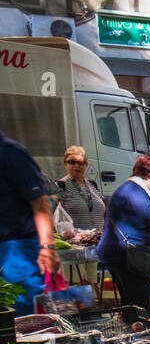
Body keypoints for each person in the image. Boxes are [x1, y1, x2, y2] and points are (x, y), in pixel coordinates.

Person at [97, 155, 150, 311]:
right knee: (140, 303)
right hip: (128, 256)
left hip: (117, 254)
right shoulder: (135, 192)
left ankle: (130, 328)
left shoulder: (127, 189)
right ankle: (139, 332)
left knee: (129, 301)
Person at [0, 130, 60, 314]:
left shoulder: (11, 153)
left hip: (20, 249)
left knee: (29, 320)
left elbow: (41, 202)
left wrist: (47, 247)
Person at [55, 146, 106, 232]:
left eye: (81, 162)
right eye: (72, 162)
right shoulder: (60, 185)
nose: (76, 165)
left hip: (99, 240)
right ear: (65, 164)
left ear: (86, 165)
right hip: (76, 242)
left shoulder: (93, 185)